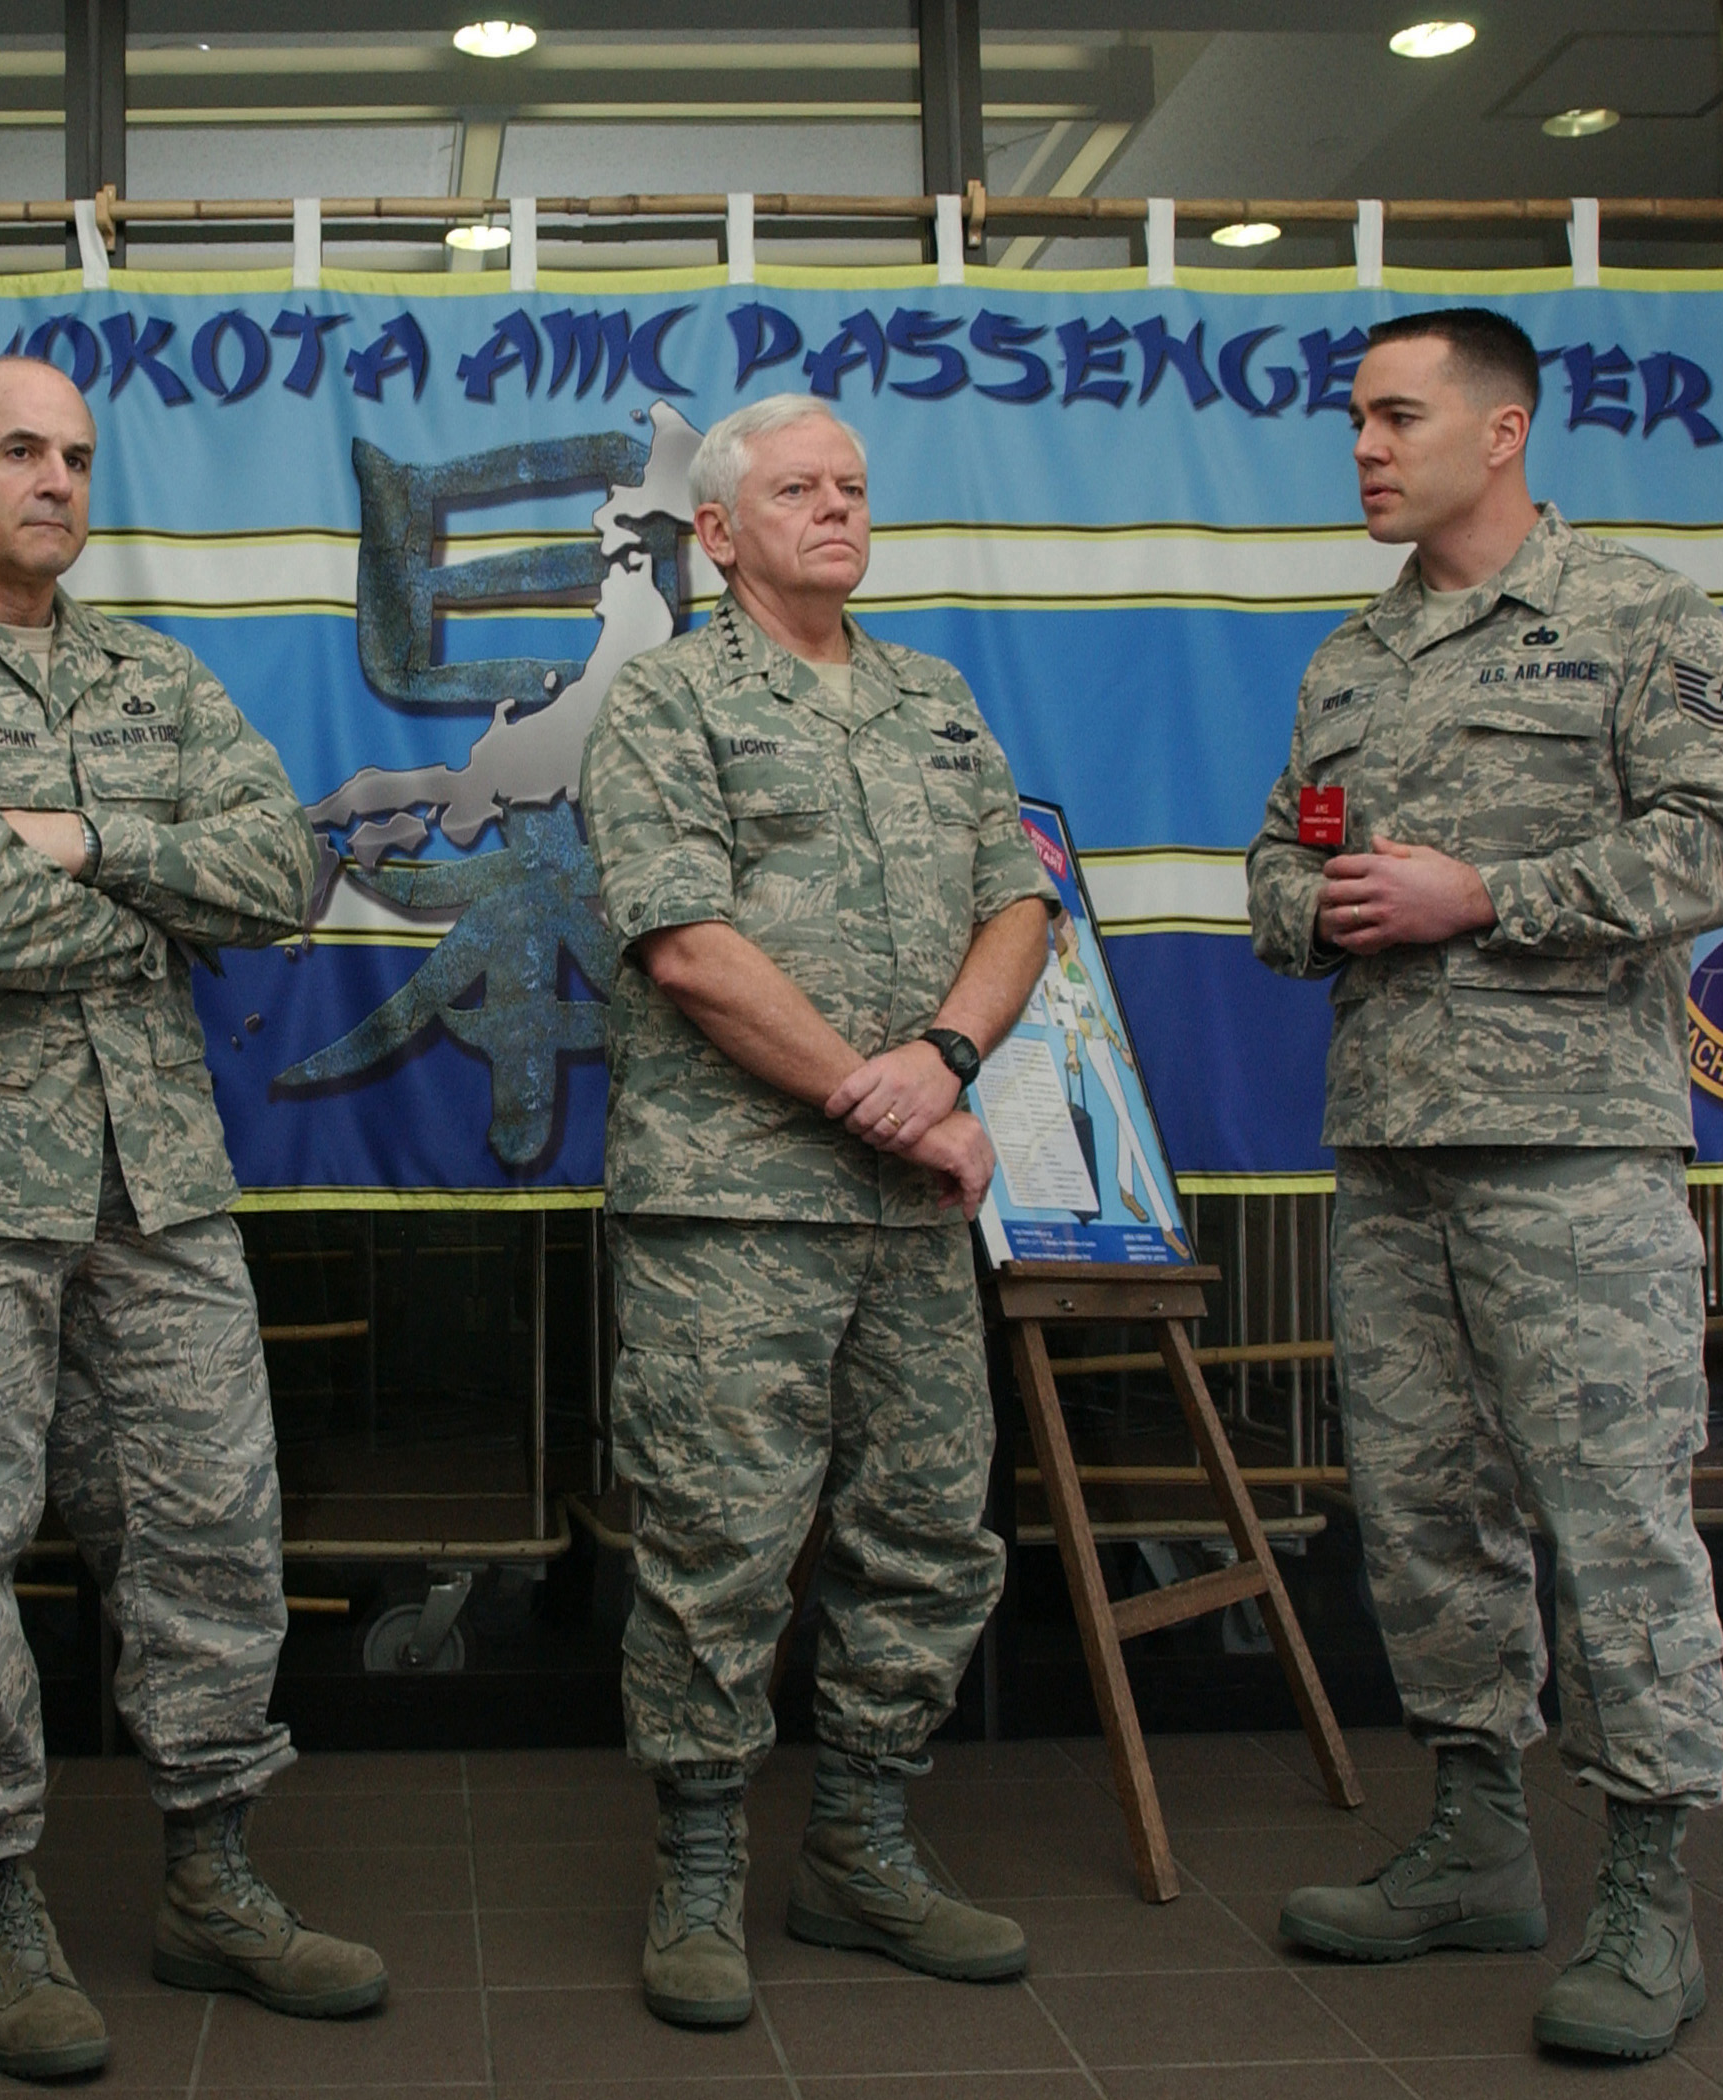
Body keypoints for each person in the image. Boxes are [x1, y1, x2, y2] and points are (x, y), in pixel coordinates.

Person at [0, 354, 380, 2082]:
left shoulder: (150, 674)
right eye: (19, 451)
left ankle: (211, 1876)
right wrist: (148, 898)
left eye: (78, 456)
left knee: (210, 1530)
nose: (55, 478)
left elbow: (278, 872)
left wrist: (77, 833)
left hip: (154, 1180)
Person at [1247, 308, 1723, 2061]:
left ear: (1505, 431)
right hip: (1392, 1143)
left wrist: (1489, 894)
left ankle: (1648, 1890)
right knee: (1421, 1510)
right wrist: (1307, 905)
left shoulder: (1639, 613)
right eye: (1354, 423)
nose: (1366, 450)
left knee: (1612, 1518)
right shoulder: (1350, 660)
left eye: (1397, 418)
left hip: (1574, 1149)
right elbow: (1281, 856)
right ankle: (1478, 1837)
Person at [581, 393, 1053, 2029]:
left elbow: (1019, 900)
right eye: (798, 489)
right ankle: (700, 1871)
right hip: (735, 1214)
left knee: (926, 1535)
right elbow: (687, 945)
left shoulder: (933, 698)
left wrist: (943, 1056)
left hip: (912, 1217)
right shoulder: (665, 703)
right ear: (717, 533)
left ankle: (859, 1844)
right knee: (719, 1546)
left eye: (853, 486)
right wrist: (880, 1095)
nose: (838, 509)